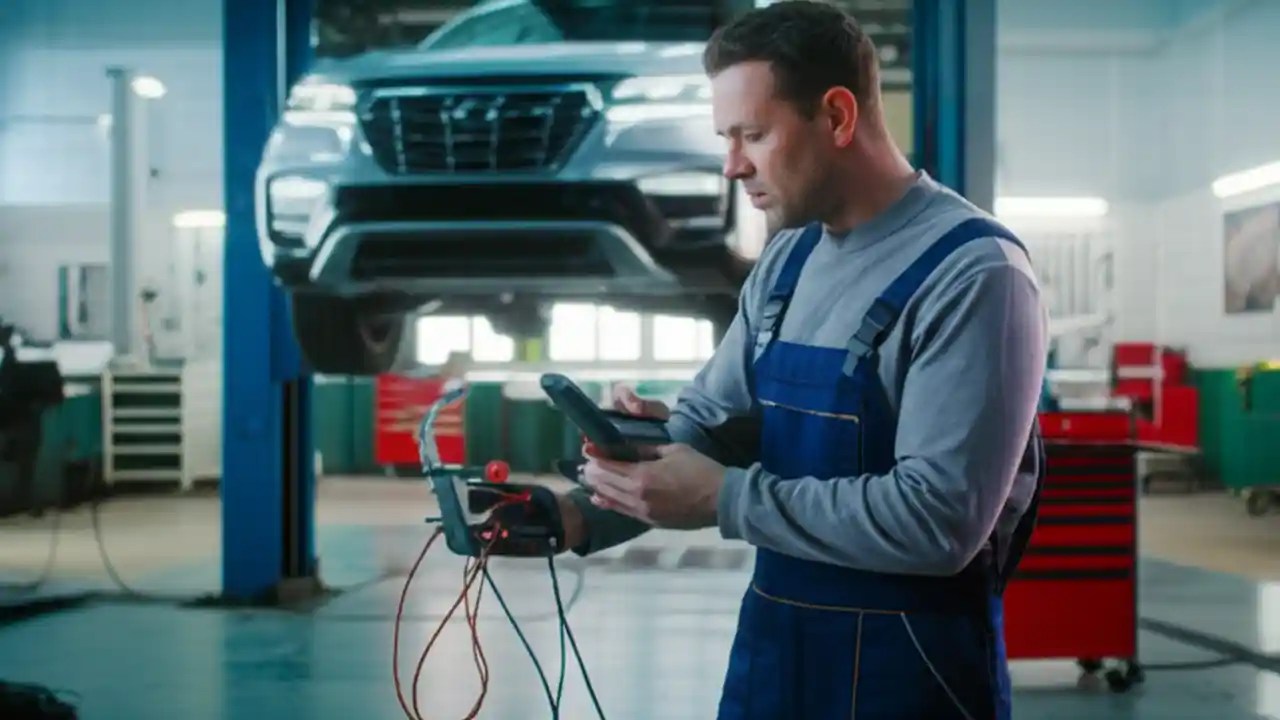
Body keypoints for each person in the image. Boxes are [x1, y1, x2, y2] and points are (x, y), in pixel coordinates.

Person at [555, 2, 1048, 718]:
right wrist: (571, 514)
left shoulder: (974, 274)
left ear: (838, 116)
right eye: (727, 138)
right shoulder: (787, 259)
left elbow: (939, 521)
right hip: (774, 661)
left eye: (753, 134)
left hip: (913, 679)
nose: (732, 166)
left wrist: (725, 498)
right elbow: (711, 427)